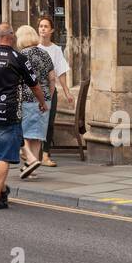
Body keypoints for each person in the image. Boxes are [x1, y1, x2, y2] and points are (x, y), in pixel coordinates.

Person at [0, 22, 47, 210]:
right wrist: (42, 102)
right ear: (11, 36)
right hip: (8, 114)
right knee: (4, 157)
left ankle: (2, 189)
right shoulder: (17, 57)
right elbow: (34, 84)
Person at [16, 24, 55, 169]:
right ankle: (30, 169)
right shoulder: (45, 54)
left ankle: (30, 161)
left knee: (24, 133)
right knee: (37, 136)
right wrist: (48, 97)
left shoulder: (20, 56)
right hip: (44, 100)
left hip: (26, 98)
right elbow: (52, 79)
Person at [37, 15, 74, 166]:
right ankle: (30, 152)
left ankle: (45, 155)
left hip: (51, 92)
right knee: (35, 122)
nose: (43, 29)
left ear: (51, 30)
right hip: (35, 91)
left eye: (46, 26)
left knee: (49, 123)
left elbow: (61, 72)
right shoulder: (33, 48)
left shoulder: (56, 49)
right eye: (40, 26)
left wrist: (67, 91)